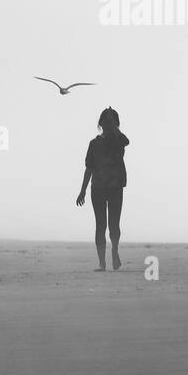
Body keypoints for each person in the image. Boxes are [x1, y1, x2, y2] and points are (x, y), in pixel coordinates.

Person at [76, 107, 129, 270]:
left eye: (110, 122)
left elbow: (127, 141)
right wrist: (82, 190)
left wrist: (114, 127)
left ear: (116, 124)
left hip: (115, 187)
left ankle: (114, 251)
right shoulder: (94, 144)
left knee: (113, 225)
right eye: (105, 122)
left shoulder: (119, 140)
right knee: (101, 225)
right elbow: (89, 168)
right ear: (100, 123)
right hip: (98, 188)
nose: (107, 125)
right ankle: (102, 262)